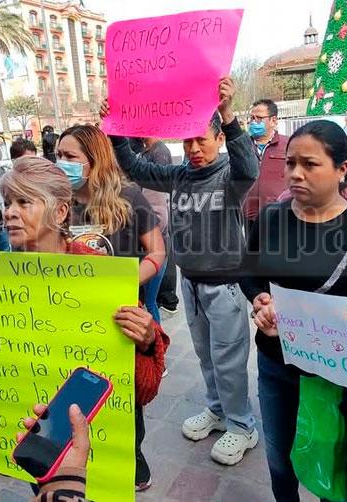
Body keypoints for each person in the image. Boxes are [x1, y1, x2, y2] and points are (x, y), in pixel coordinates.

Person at [102, 77, 261, 466]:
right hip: (191, 283)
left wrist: (228, 114)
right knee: (208, 356)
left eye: (201, 141)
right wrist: (117, 132)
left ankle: (242, 426)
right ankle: (217, 410)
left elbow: (249, 168)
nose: (193, 150)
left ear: (217, 139)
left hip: (224, 285)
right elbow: (137, 169)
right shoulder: (179, 176)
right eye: (187, 142)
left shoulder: (229, 176)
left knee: (229, 357)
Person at [0, 157, 169, 492]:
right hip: (38, 431)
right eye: (6, 203)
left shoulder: (98, 273)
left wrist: (146, 339)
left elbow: (144, 388)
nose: (9, 212)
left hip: (104, 438)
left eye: (23, 202)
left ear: (61, 212)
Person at [243, 120, 347, 501]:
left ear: (341, 169)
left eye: (310, 164)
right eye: (290, 163)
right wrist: (259, 299)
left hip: (337, 375)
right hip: (276, 364)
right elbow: (248, 271)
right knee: (278, 459)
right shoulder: (271, 219)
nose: (295, 174)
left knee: (331, 466)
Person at [55, 125, 166, 297]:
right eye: (59, 155)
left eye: (70, 157)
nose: (62, 163)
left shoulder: (129, 197)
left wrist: (128, 282)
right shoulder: (56, 203)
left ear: (95, 160)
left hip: (119, 308)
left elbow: (157, 251)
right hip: (73, 306)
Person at [131, 136, 176, 321]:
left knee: (150, 302)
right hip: (149, 252)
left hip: (155, 252)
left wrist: (144, 229)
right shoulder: (144, 153)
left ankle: (158, 344)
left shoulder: (150, 189)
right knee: (149, 302)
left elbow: (160, 216)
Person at [243, 98, 290, 220]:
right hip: (248, 215)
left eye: (259, 118)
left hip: (278, 215)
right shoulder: (243, 146)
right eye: (252, 118)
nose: (253, 122)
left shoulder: (288, 145)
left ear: (273, 120)